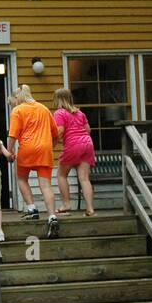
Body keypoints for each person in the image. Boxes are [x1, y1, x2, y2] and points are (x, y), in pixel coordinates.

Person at [6, 84, 61, 238]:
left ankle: (32, 209)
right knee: (46, 186)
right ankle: (52, 217)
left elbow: (13, 135)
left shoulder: (18, 110)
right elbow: (55, 133)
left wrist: (9, 151)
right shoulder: (43, 108)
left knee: (22, 179)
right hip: (45, 149)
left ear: (17, 98)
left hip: (27, 149)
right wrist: (50, 146)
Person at [53, 87, 97, 217]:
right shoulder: (79, 113)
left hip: (73, 144)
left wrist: (53, 140)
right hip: (87, 143)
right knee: (84, 178)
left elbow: (59, 130)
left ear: (58, 100)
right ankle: (90, 209)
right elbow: (88, 130)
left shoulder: (59, 113)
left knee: (61, 175)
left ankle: (66, 204)